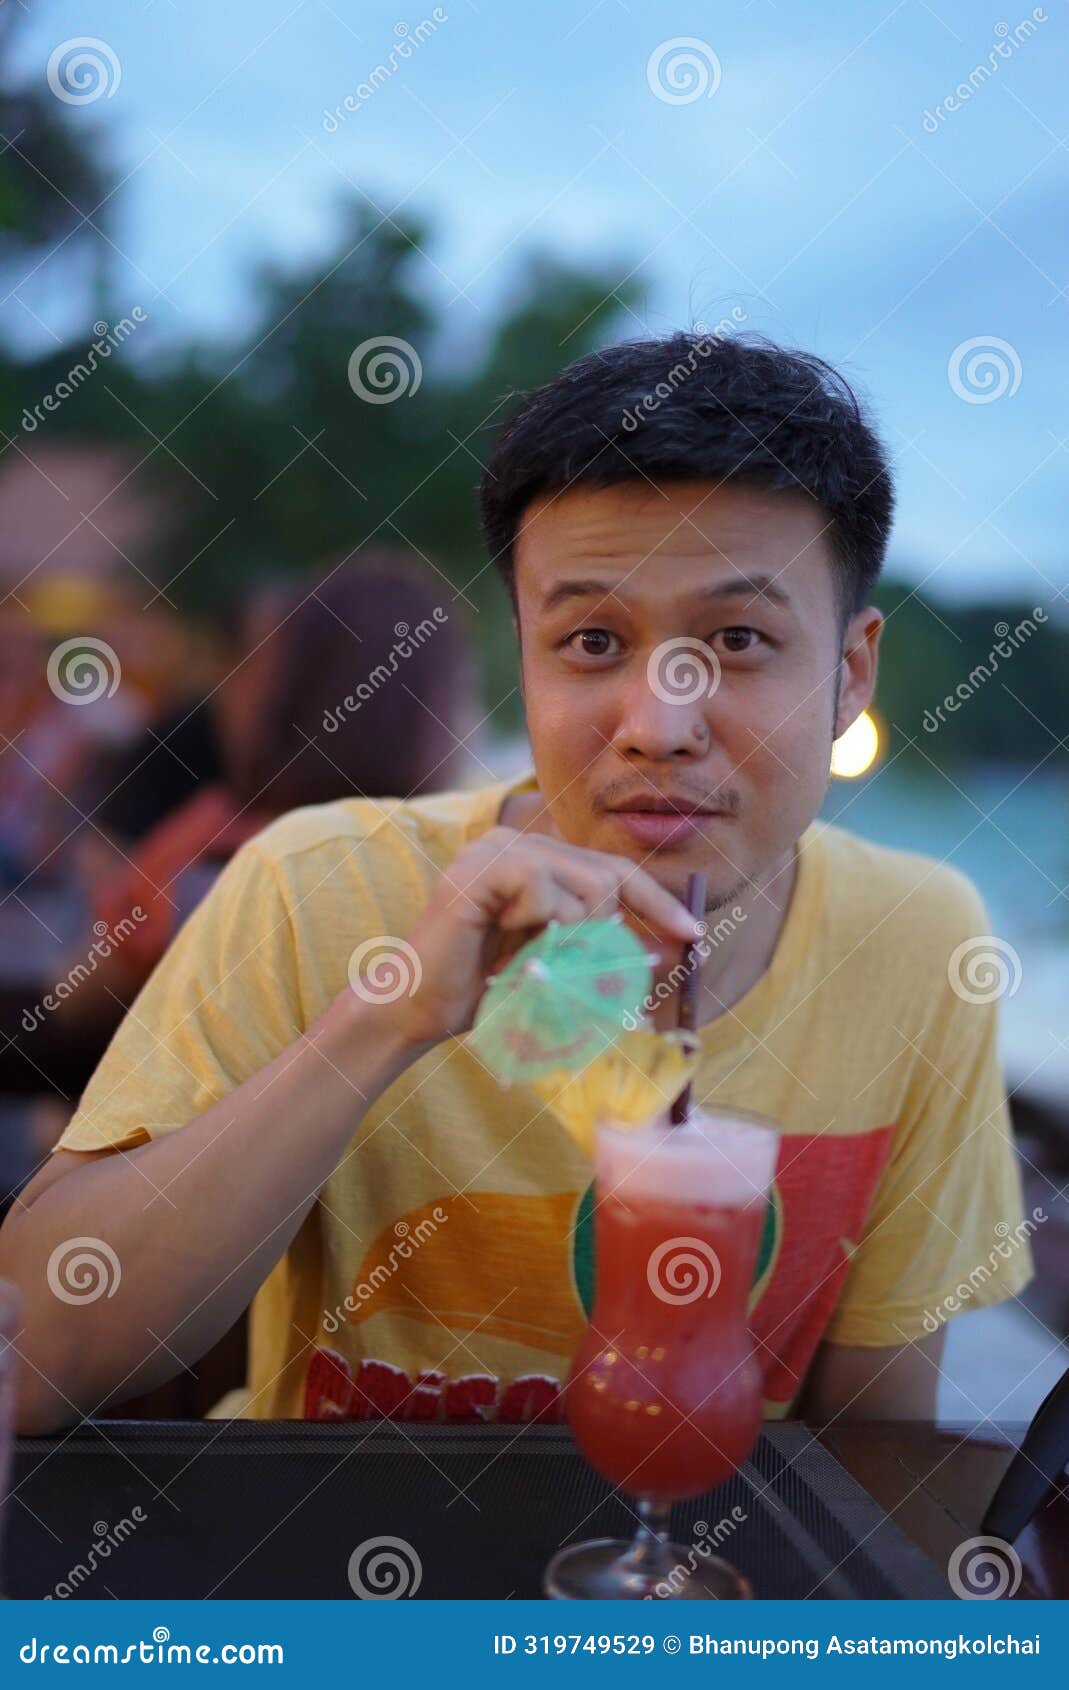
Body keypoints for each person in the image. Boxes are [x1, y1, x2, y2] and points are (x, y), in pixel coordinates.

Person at [1, 333, 1031, 1435]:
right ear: (524, 665)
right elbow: (42, 1350)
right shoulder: (317, 884)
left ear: (850, 674)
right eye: (591, 640)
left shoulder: (916, 943)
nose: (658, 726)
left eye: (738, 638)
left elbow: (872, 1451)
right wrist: (384, 1018)